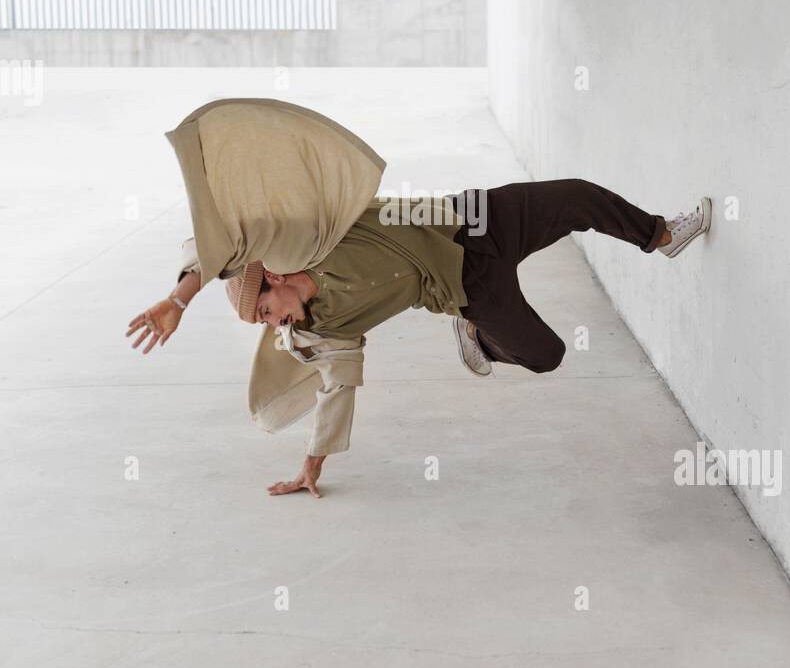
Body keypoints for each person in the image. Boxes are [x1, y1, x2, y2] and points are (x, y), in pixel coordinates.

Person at [128, 99, 711, 502]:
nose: (271, 324)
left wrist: (177, 300)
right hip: (466, 288)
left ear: (273, 278)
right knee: (545, 354)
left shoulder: (309, 237)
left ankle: (662, 235)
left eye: (263, 311)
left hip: (471, 218)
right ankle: (477, 335)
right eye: (266, 323)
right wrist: (311, 467)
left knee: (576, 196)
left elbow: (217, 239)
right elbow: (337, 393)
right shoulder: (323, 331)